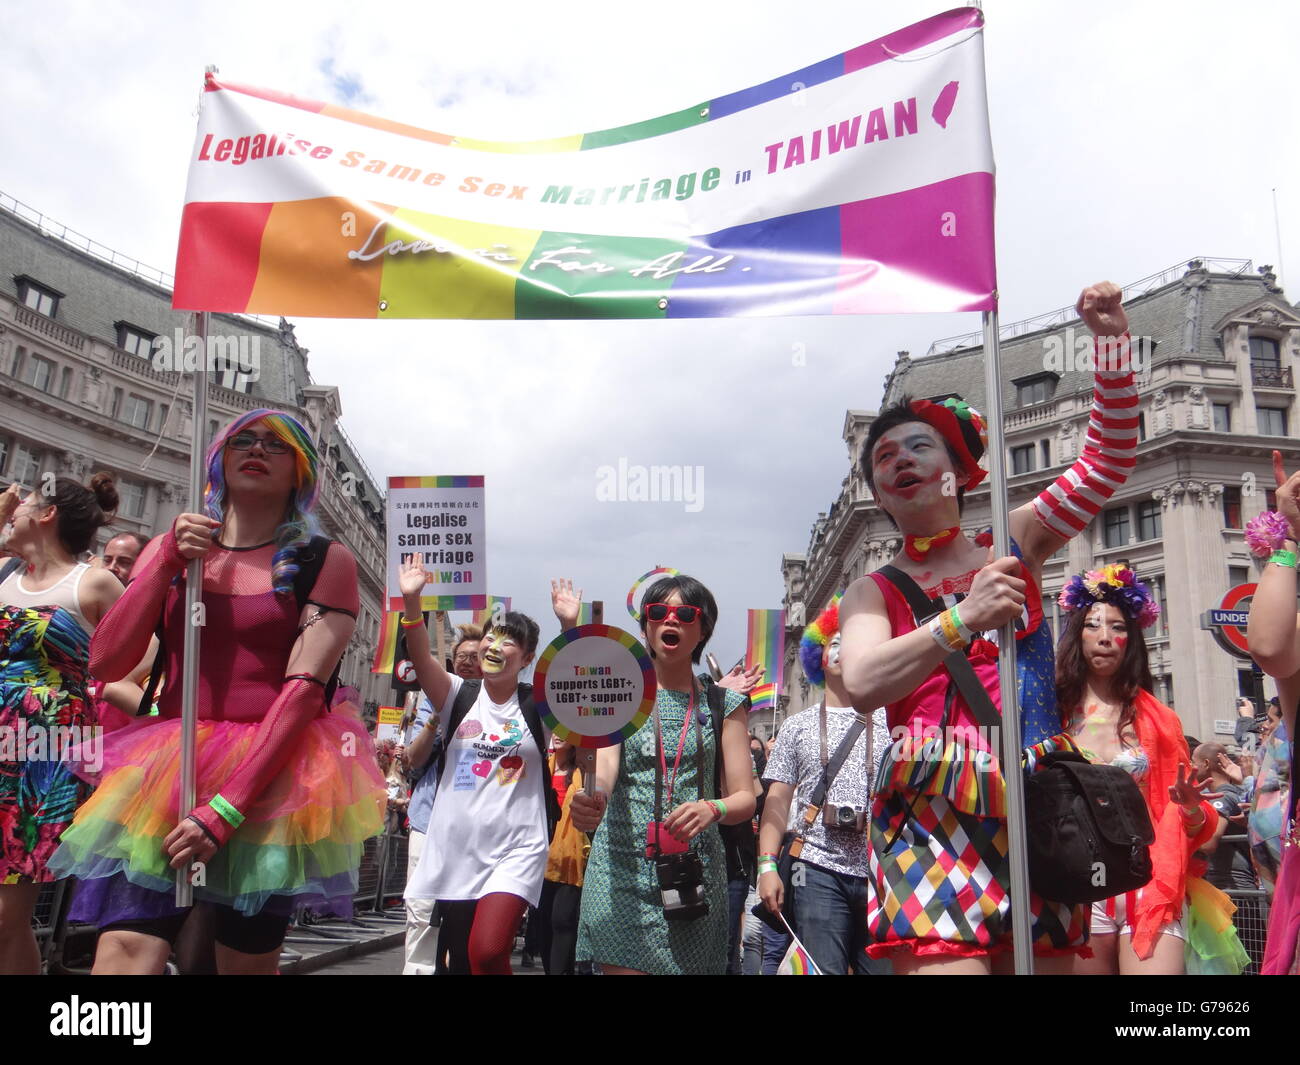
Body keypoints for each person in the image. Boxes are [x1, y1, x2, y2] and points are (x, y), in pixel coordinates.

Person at [839, 282, 1137, 973]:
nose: (901, 460)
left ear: (960, 470)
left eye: (919, 447)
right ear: (879, 494)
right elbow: (860, 681)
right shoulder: (872, 588)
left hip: (1037, 803)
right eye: (885, 458)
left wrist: (1113, 347)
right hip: (928, 809)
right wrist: (963, 617)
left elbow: (1106, 464)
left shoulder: (1017, 537)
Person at [48, 409, 386, 974]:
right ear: (218, 460)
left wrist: (227, 807)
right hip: (165, 772)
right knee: (125, 951)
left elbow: (304, 692)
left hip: (270, 782)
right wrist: (165, 565)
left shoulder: (326, 561)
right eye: (242, 441)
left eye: (276, 445)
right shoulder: (171, 548)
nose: (256, 450)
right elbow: (106, 660)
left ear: (300, 471)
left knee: (242, 964)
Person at [571, 573, 757, 974]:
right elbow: (605, 763)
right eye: (659, 612)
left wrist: (714, 808)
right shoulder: (620, 691)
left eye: (685, 614)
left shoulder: (725, 703)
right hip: (619, 865)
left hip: (691, 872)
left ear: (702, 629)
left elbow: (745, 797)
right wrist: (595, 795)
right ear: (645, 626)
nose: (671, 621)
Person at [1054, 564, 1233, 975]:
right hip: (1075, 887)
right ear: (1076, 634)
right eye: (1093, 626)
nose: (1104, 638)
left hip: (1150, 881)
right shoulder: (1051, 714)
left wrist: (1190, 808)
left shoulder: (1160, 720)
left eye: (1117, 628)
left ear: (1130, 639)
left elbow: (1195, 821)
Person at [399, 555, 554, 975]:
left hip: (516, 849)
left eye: (508, 642)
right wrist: (412, 602)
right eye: (491, 638)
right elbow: (419, 653)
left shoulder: (540, 704)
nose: (493, 647)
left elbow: (581, 692)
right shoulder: (457, 694)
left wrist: (572, 627)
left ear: (526, 658)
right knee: (463, 960)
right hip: (459, 849)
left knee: (487, 951)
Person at [0, 476, 123, 974]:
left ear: (47, 515)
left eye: (22, 504)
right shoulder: (4, 572)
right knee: (8, 930)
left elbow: (147, 668)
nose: (13, 510)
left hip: (44, 759)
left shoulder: (92, 582)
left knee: (4, 920)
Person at [757, 595, 892, 975]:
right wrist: (767, 866)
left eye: (851, 642)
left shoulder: (893, 719)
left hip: (879, 870)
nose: (842, 650)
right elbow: (777, 801)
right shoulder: (796, 726)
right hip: (815, 868)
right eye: (834, 642)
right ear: (818, 655)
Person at [399, 623, 484, 974]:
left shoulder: (497, 707)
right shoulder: (432, 702)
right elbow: (412, 759)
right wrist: (437, 718)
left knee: (464, 924)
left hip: (474, 831)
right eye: (460, 656)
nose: (467, 662)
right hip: (428, 821)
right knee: (421, 915)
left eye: (475, 656)